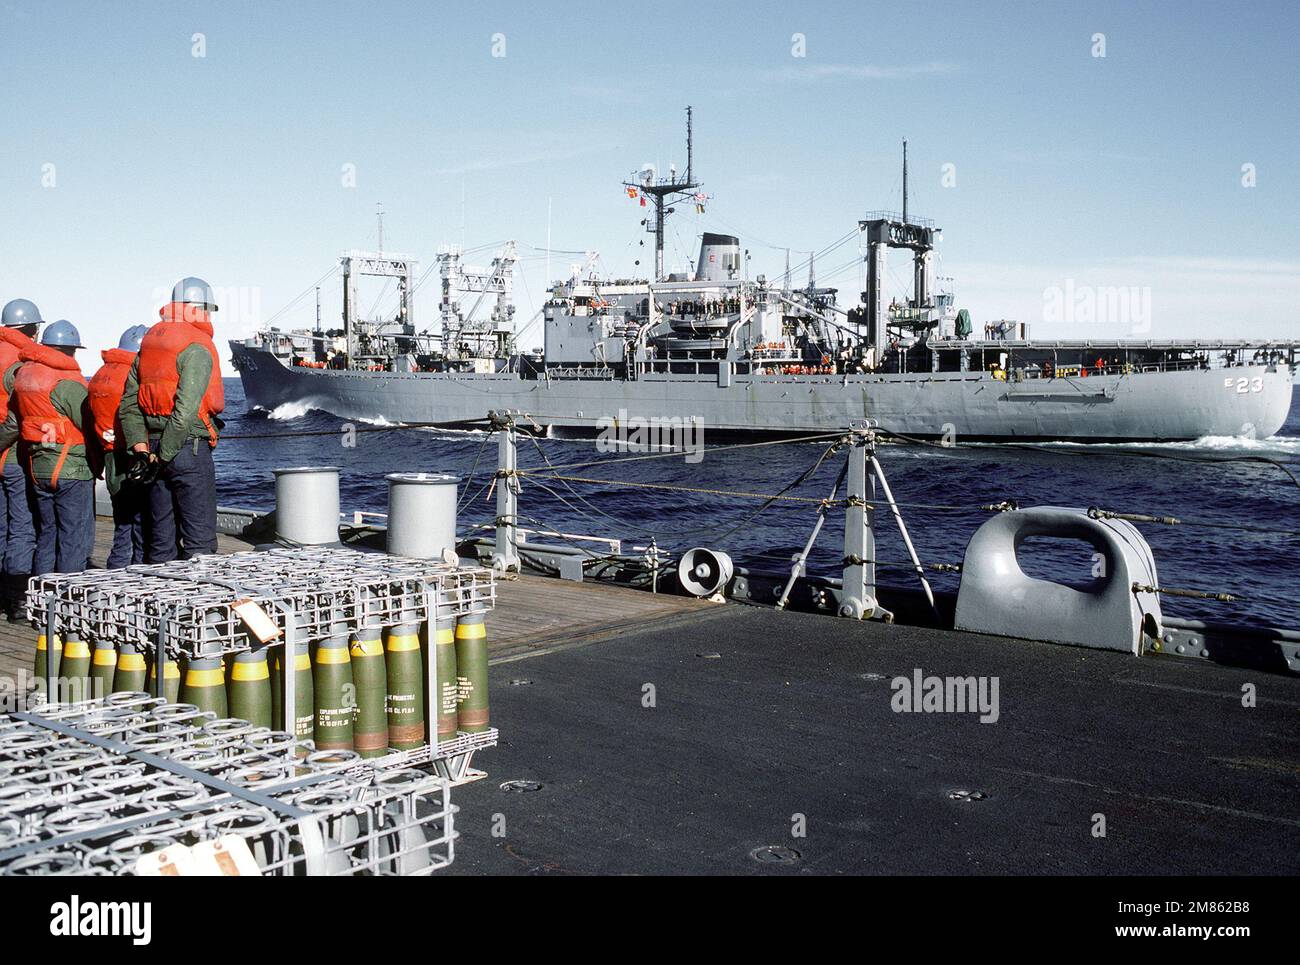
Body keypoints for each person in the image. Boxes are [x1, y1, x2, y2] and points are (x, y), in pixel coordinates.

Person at [119, 277, 224, 562]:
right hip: (186, 450)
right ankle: (200, 605)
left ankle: (159, 603)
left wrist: (142, 450)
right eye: (208, 309)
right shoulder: (196, 347)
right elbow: (186, 411)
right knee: (199, 542)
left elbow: (128, 406)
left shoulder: (149, 346)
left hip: (151, 450)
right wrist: (162, 456)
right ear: (198, 308)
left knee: (160, 540)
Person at [0, 320, 94, 574]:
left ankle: (38, 594)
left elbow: (13, 421)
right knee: (72, 538)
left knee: (47, 533)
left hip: (37, 467)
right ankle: (68, 599)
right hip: (71, 469)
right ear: (72, 350)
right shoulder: (68, 381)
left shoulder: (24, 376)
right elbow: (88, 424)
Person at [88, 324, 149, 567]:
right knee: (141, 522)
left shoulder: (101, 375)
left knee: (122, 522)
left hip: (110, 455)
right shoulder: (132, 376)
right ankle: (139, 574)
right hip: (133, 457)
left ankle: (116, 569)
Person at [0, 299, 41, 618]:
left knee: (1, 526)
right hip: (13, 453)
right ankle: (16, 598)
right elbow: (18, 416)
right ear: (29, 329)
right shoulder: (21, 361)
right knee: (22, 527)